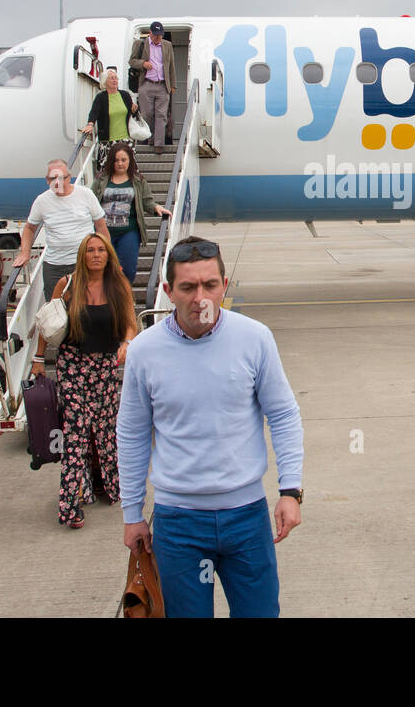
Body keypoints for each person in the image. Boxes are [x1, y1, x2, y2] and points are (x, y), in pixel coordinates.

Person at [118, 236, 304, 617]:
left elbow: (283, 414)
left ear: (224, 285)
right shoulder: (144, 351)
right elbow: (133, 433)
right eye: (188, 287)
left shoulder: (254, 338)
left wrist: (291, 491)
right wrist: (132, 513)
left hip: (247, 518)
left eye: (210, 285)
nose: (200, 297)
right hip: (178, 524)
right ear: (168, 291)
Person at [31, 233, 137, 528]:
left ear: (108, 255)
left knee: (106, 432)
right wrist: (39, 359)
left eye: (101, 250)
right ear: (82, 254)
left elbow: (131, 322)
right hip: (72, 365)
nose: (95, 255)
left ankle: (108, 486)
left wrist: (127, 343)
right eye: (90, 250)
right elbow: (47, 322)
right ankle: (70, 503)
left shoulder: (118, 285)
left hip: (105, 365)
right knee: (76, 433)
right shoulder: (67, 284)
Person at [13, 159, 107, 302]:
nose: (58, 182)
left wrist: (107, 256)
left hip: (83, 263)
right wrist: (25, 253)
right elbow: (29, 228)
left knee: (87, 306)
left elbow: (101, 227)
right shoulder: (42, 201)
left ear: (69, 177)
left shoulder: (85, 195)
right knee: (55, 310)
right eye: (53, 178)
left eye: (62, 178)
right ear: (46, 180)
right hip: (55, 266)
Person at [91, 141, 172, 283]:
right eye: (116, 160)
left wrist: (155, 208)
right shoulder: (101, 179)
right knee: (106, 269)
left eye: (123, 160)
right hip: (104, 232)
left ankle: (124, 296)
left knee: (128, 269)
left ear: (130, 160)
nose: (120, 164)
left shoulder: (138, 180)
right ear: (111, 161)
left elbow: (147, 201)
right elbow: (90, 201)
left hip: (128, 232)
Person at [128, 21, 175, 154]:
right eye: (156, 36)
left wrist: (172, 85)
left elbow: (171, 66)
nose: (158, 38)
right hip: (147, 83)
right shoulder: (140, 44)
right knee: (147, 114)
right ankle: (148, 139)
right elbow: (132, 61)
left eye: (160, 35)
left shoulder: (167, 45)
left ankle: (159, 144)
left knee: (161, 115)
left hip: (162, 84)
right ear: (150, 33)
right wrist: (143, 64)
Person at [83, 68, 140, 164]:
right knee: (107, 172)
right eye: (111, 78)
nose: (114, 80)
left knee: (129, 170)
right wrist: (90, 124)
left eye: (116, 78)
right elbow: (94, 112)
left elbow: (132, 114)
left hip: (125, 139)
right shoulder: (101, 98)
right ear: (105, 81)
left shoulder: (125, 95)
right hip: (108, 141)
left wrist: (134, 111)